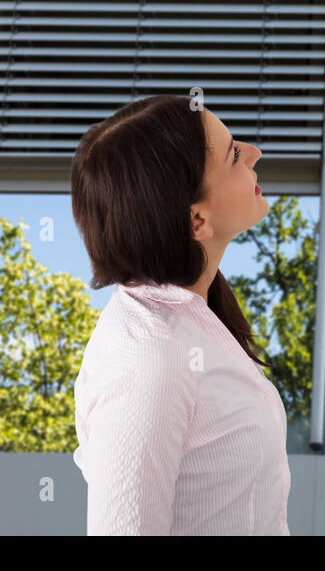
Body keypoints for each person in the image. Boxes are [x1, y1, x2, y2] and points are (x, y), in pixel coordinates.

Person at [70, 94, 289, 534]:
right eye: (233, 155)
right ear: (196, 222)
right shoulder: (148, 359)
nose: (254, 153)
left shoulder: (194, 319)